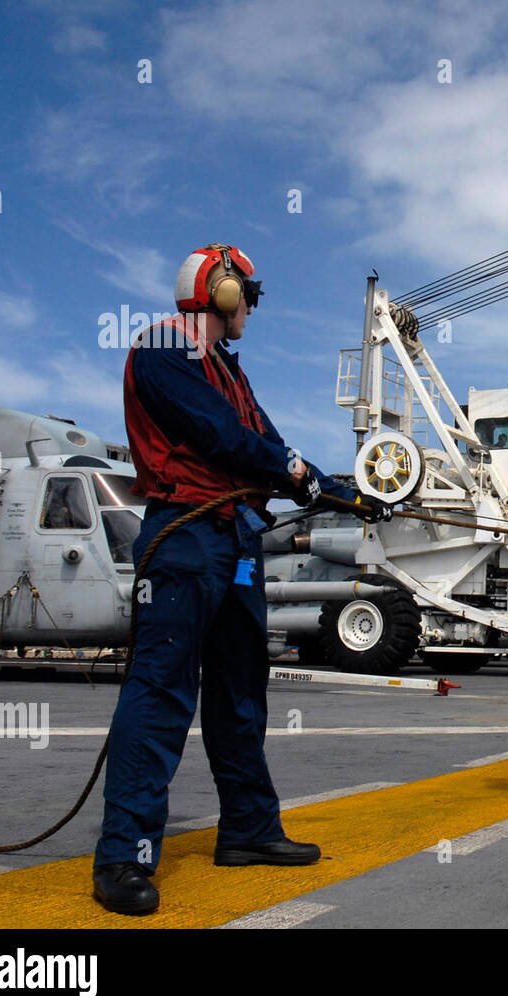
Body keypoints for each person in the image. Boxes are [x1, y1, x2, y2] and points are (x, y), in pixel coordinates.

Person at [92, 243, 387, 916]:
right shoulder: (165, 347)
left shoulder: (230, 371)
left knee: (240, 691)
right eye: (246, 293)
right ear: (219, 290)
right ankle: (123, 857)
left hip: (235, 538)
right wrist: (299, 474)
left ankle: (248, 829)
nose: (250, 306)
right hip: (185, 536)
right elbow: (228, 440)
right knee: (163, 690)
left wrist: (348, 494)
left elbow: (271, 447)